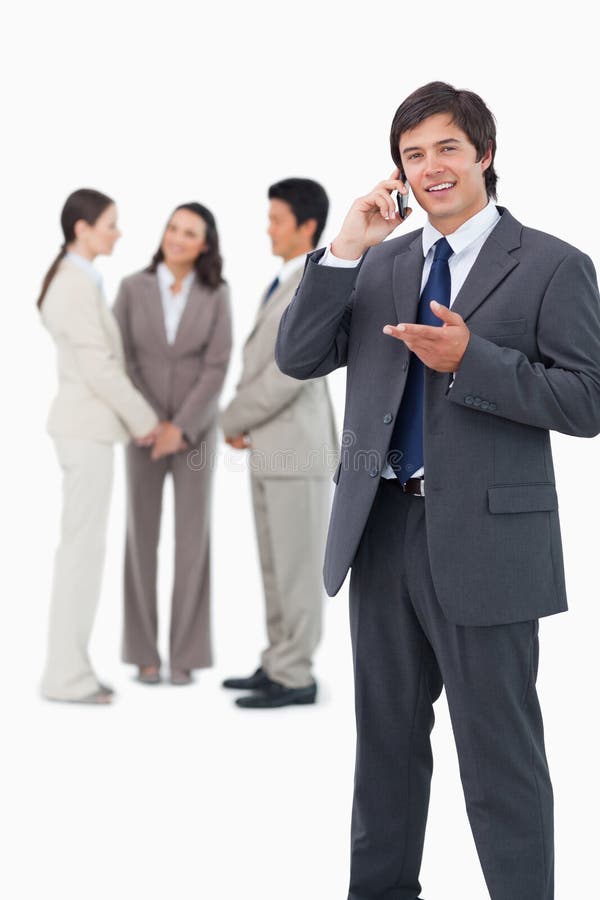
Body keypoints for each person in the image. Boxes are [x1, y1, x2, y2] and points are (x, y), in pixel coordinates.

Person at [275, 82, 600, 899]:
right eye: (413, 155)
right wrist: (345, 245)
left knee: (499, 758)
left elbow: (588, 399)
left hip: (488, 544)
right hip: (380, 529)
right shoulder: (382, 262)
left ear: (485, 154)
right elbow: (300, 356)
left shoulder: (554, 265)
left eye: (447, 148)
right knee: (383, 749)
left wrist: (475, 363)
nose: (431, 168)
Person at [220, 178, 337, 709]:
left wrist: (230, 417)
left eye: (276, 219)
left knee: (296, 567)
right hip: (273, 447)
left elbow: (288, 375)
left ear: (306, 225)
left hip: (298, 450)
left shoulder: (314, 283)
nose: (268, 228)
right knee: (274, 565)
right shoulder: (284, 280)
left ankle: (297, 676)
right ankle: (278, 661)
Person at [39, 188, 159, 705]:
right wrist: (145, 420)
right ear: (82, 229)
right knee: (80, 557)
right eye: (110, 223)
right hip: (85, 431)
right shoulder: (72, 285)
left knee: (82, 554)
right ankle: (65, 677)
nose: (118, 231)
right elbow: (99, 367)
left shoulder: (80, 279)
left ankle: (71, 669)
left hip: (88, 431)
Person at [114, 202, 232, 686]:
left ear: (205, 244)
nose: (177, 238)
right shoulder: (131, 288)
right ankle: (143, 652)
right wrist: (149, 422)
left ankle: (185, 653)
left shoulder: (216, 292)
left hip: (195, 431)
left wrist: (179, 427)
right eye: (173, 228)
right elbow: (121, 359)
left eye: (190, 233)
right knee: (140, 538)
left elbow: (217, 366)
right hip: (141, 431)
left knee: (192, 540)